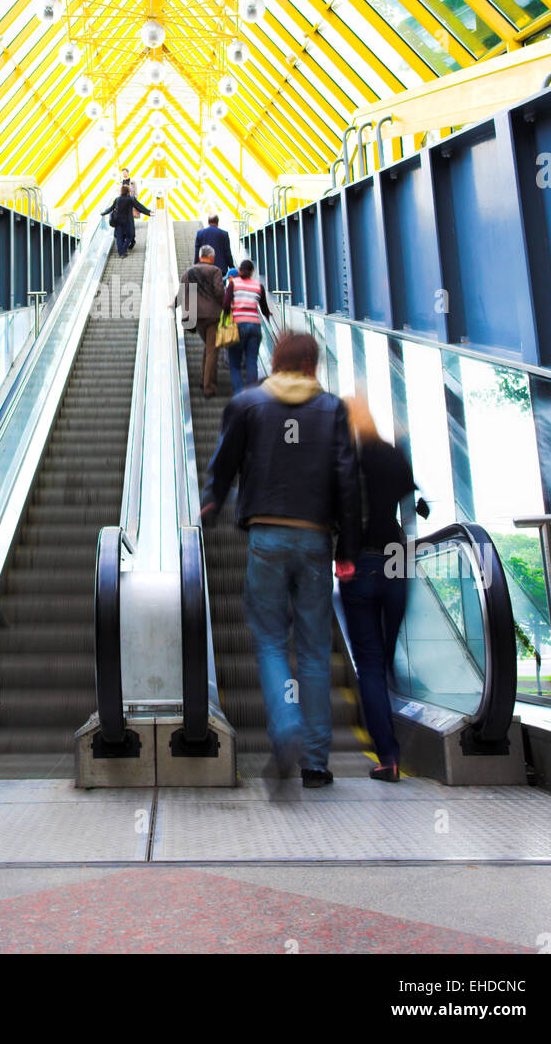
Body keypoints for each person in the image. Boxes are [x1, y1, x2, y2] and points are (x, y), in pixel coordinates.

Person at [201, 331, 361, 784]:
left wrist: (212, 502)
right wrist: (347, 551)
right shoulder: (332, 409)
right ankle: (315, 762)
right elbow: (347, 482)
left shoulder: (249, 404)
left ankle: (286, 723)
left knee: (271, 642)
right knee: (312, 651)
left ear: (274, 361)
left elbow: (224, 461)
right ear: (311, 365)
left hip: (266, 536)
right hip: (315, 539)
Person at [340, 396, 429, 783]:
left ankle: (389, 756)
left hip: (360, 563)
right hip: (396, 559)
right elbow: (416, 507)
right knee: (386, 657)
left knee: (370, 666)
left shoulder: (345, 461)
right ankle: (401, 732)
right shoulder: (393, 456)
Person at [175, 244, 224, 397]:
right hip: (211, 316)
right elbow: (219, 292)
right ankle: (208, 387)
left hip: (195, 317)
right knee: (212, 350)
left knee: (208, 348)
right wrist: (227, 306)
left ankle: (204, 380)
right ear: (211, 257)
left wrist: (173, 304)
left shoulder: (189, 271)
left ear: (199, 256)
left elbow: (182, 292)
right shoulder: (215, 271)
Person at [223, 258, 272, 395]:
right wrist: (268, 315)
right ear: (252, 272)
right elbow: (264, 309)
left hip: (238, 325)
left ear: (239, 271)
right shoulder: (258, 286)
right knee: (252, 361)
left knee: (235, 364)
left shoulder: (233, 284)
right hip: (255, 326)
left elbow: (226, 305)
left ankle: (239, 395)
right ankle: (252, 395)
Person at [101, 182, 150, 258]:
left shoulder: (117, 199)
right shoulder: (131, 199)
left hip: (118, 221)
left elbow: (111, 208)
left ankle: (121, 253)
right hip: (127, 222)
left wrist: (104, 213)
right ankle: (123, 250)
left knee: (119, 237)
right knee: (129, 236)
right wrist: (149, 212)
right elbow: (139, 207)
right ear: (128, 191)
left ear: (121, 191)